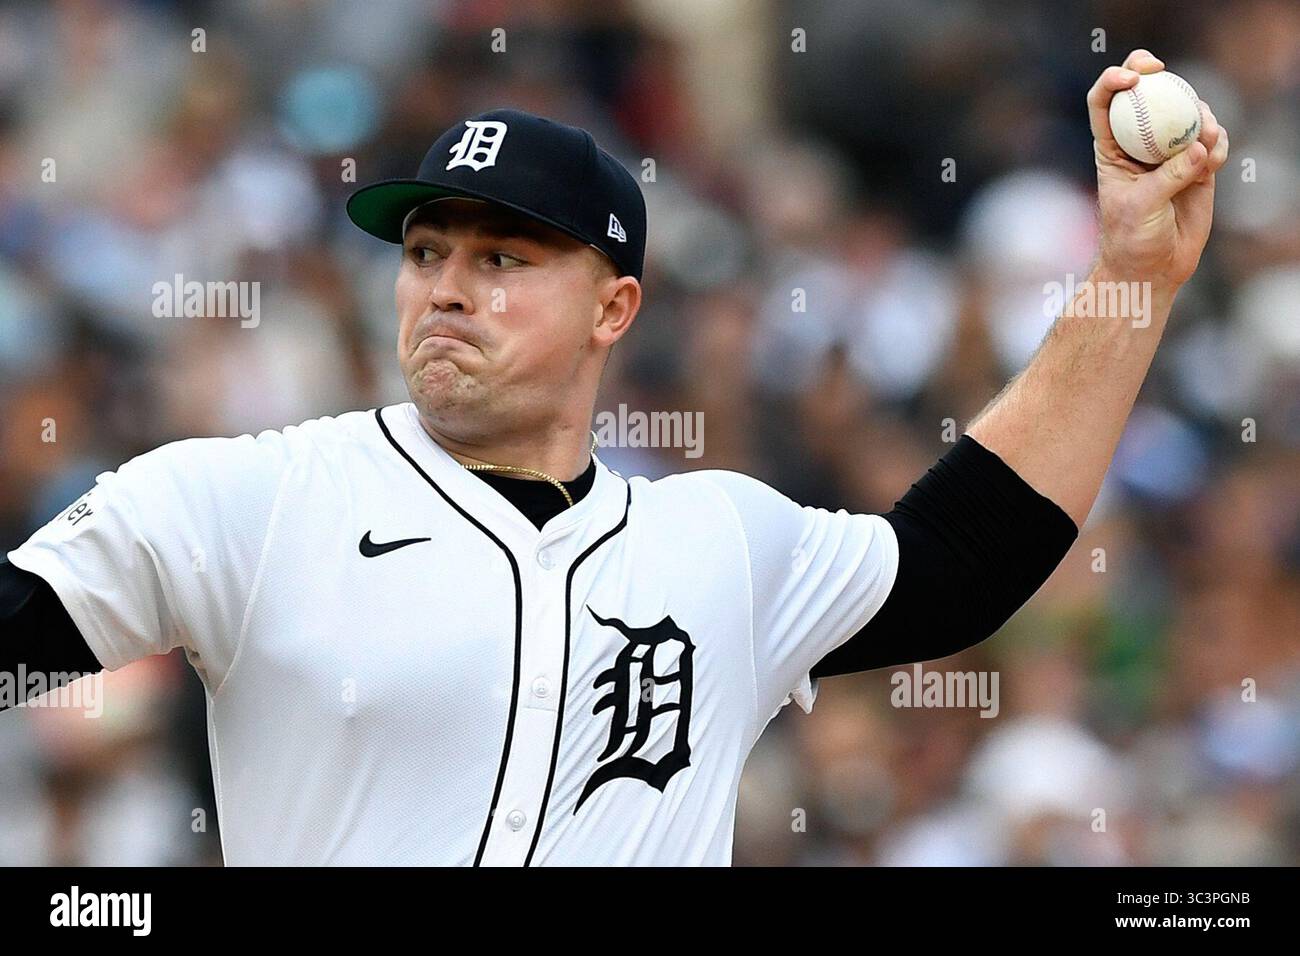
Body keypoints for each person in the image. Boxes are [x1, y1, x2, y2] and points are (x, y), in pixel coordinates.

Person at [0, 51, 1228, 865]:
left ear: (614, 309)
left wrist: (1130, 281)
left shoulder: (721, 542)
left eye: (503, 259)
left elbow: (966, 557)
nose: (446, 289)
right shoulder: (250, 498)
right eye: (426, 252)